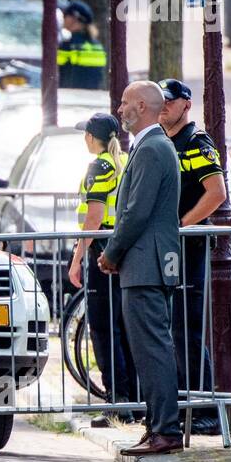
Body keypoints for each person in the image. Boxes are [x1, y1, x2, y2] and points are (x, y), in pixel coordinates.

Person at [98, 80, 183, 457]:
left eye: (124, 102)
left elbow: (135, 212)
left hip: (145, 264)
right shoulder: (151, 146)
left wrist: (111, 253)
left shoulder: (151, 149)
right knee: (149, 349)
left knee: (152, 350)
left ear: (144, 108)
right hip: (145, 263)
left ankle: (165, 429)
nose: (120, 110)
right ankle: (157, 427)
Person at [159, 77, 226, 436]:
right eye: (161, 101)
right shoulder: (163, 142)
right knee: (173, 329)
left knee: (188, 329)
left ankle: (206, 411)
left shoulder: (196, 143)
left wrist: (181, 225)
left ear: (186, 104)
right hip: (171, 248)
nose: (163, 107)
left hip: (189, 248)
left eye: (169, 101)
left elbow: (216, 193)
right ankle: (186, 404)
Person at [67, 112, 137, 421]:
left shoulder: (100, 166)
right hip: (121, 250)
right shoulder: (121, 163)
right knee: (121, 328)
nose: (84, 138)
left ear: (91, 137)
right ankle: (130, 400)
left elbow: (93, 217)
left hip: (101, 251)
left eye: (86, 134)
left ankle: (117, 401)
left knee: (103, 329)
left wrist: (77, 257)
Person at [57, 0, 107, 90]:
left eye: (65, 15)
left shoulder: (68, 45)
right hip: (92, 98)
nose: (63, 19)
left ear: (74, 19)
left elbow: (56, 73)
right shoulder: (97, 46)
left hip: (70, 98)